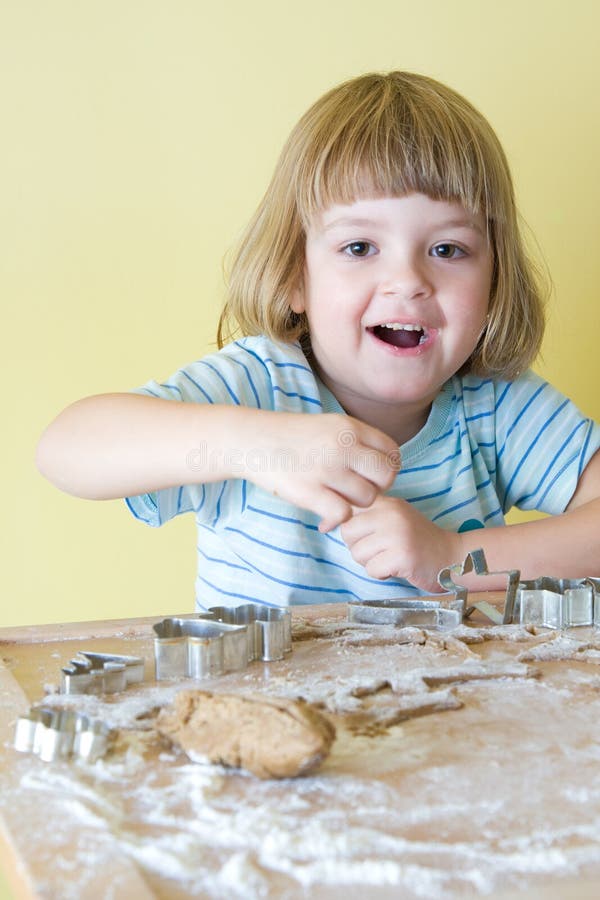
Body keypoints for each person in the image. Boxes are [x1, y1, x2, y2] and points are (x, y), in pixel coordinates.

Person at [36, 71, 600, 610]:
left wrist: (455, 558)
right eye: (359, 248)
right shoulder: (256, 389)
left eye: (447, 249)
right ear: (293, 276)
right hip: (264, 709)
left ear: (495, 279)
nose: (408, 282)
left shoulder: (497, 406)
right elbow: (65, 449)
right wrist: (256, 446)